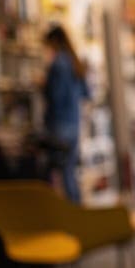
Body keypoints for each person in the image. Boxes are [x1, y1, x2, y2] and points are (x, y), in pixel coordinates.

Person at [42, 25, 89, 203]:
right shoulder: (74, 62)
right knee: (69, 175)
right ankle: (78, 217)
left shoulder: (58, 64)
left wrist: (44, 86)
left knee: (52, 175)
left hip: (58, 125)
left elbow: (55, 96)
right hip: (74, 125)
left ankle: (59, 217)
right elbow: (87, 93)